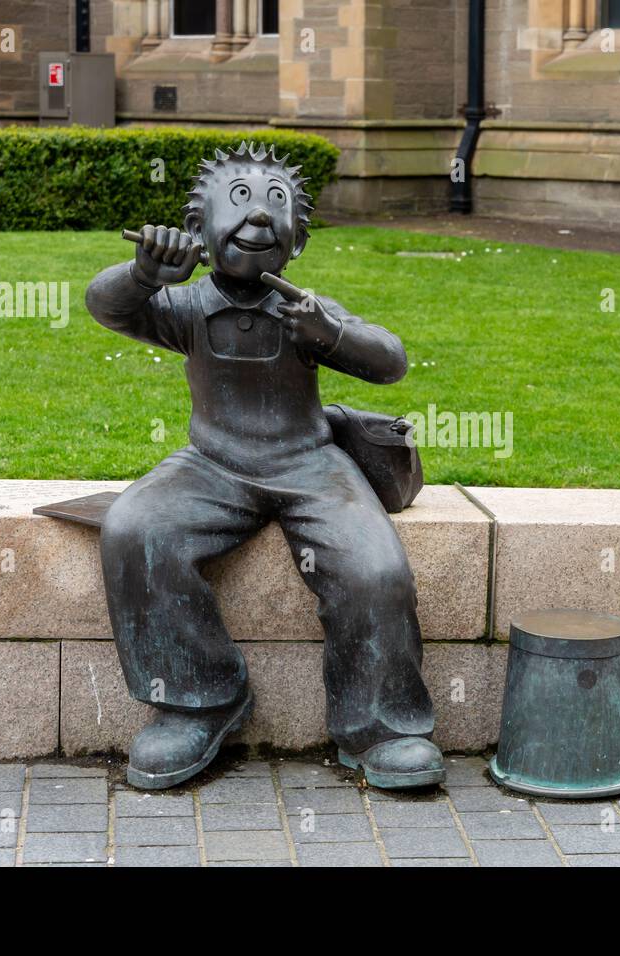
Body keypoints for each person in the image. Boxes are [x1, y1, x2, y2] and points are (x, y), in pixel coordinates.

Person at [84, 142, 440, 791]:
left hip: (311, 465)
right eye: (240, 200)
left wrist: (328, 333)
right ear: (199, 230)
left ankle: (380, 725)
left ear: (297, 242)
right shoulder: (186, 309)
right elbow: (107, 307)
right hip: (213, 465)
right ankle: (197, 699)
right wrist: (142, 274)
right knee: (135, 528)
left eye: (276, 203)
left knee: (376, 568)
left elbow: (390, 361)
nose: (258, 214)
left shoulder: (305, 309)